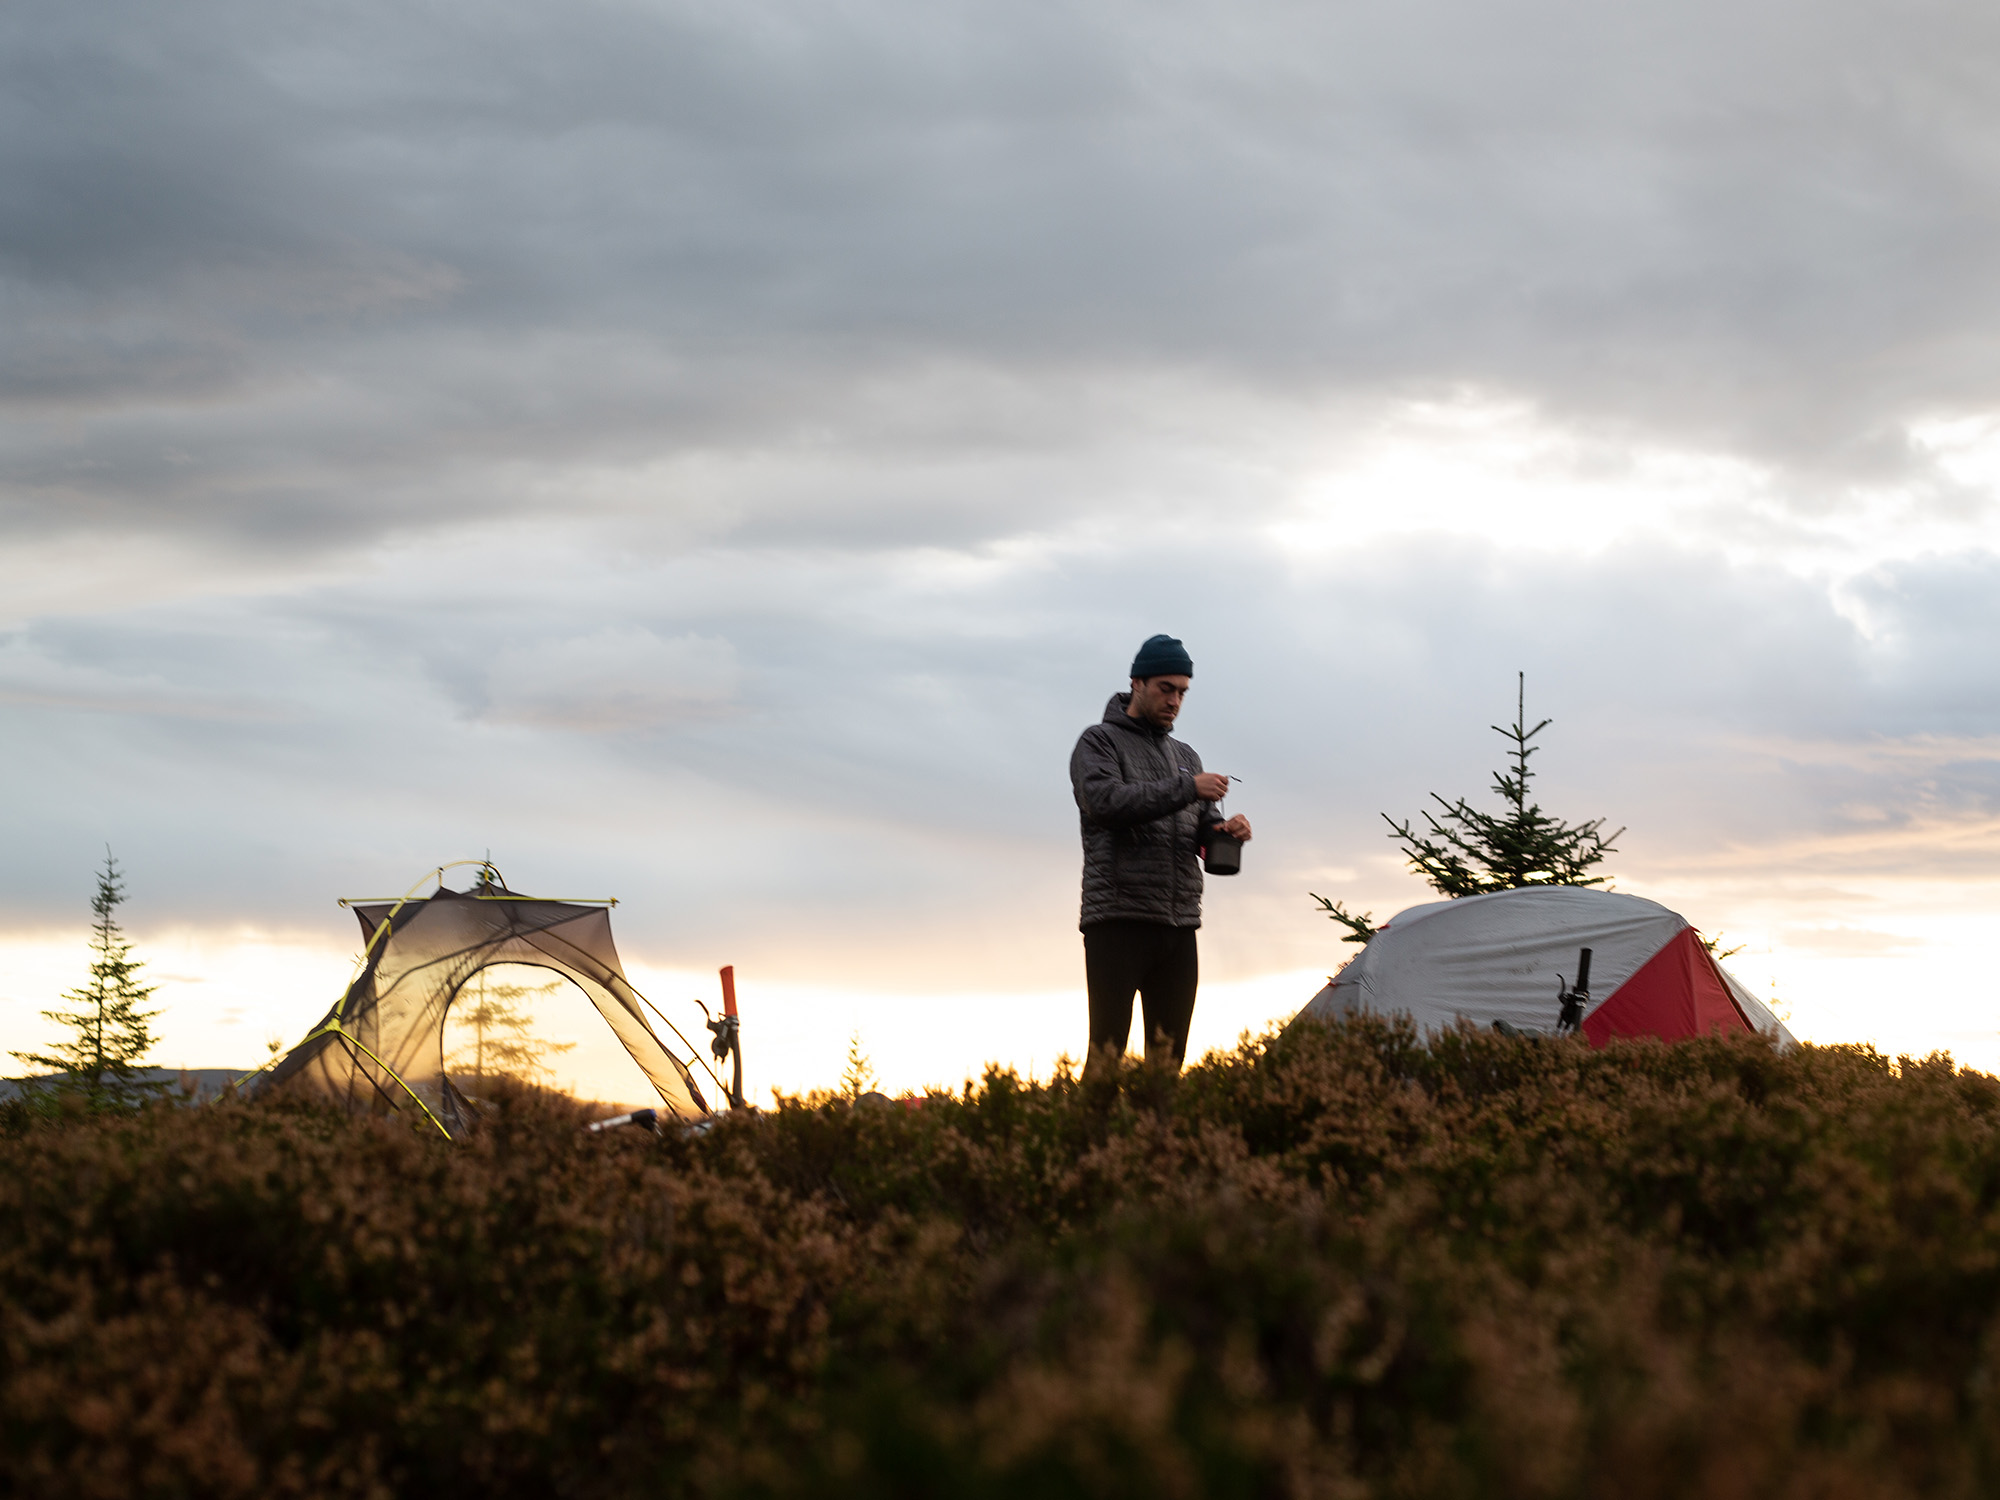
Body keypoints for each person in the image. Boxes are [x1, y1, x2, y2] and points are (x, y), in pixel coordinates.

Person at [1068, 633, 1252, 1076]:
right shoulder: (1099, 743)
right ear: (1137, 683)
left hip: (1179, 924)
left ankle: (1158, 1146)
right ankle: (1089, 1145)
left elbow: (1200, 838)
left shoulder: (1186, 756)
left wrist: (1225, 832)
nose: (1175, 700)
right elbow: (1105, 803)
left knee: (1167, 1066)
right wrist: (1188, 788)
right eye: (1165, 688)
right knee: (1106, 1057)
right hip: (1117, 918)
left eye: (1182, 692)